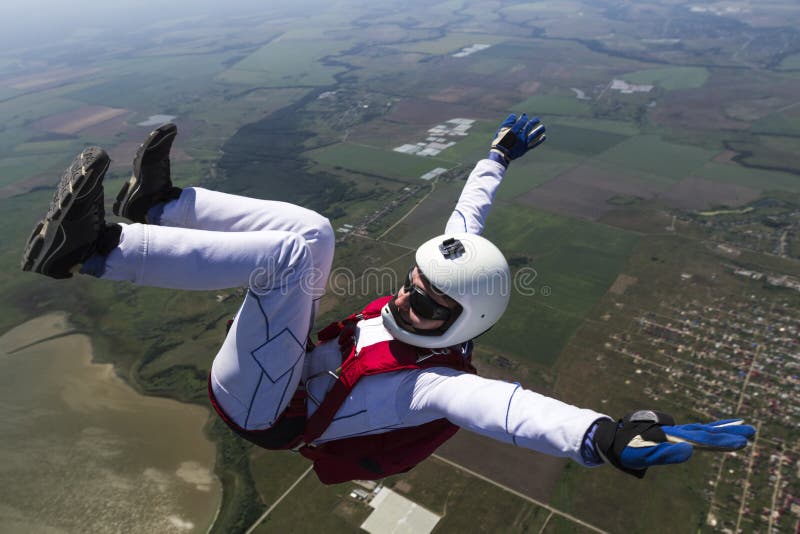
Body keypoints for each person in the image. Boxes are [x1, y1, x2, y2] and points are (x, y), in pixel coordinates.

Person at [21, 115, 755, 484]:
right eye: (412, 282)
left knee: (285, 260)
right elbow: (466, 226)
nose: (405, 298)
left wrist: (601, 436)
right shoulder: (438, 311)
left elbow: (510, 411)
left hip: (265, 408)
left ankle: (94, 250)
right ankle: (161, 207)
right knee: (313, 232)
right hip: (279, 380)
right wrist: (496, 156)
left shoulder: (432, 386)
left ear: (460, 324)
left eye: (427, 303)